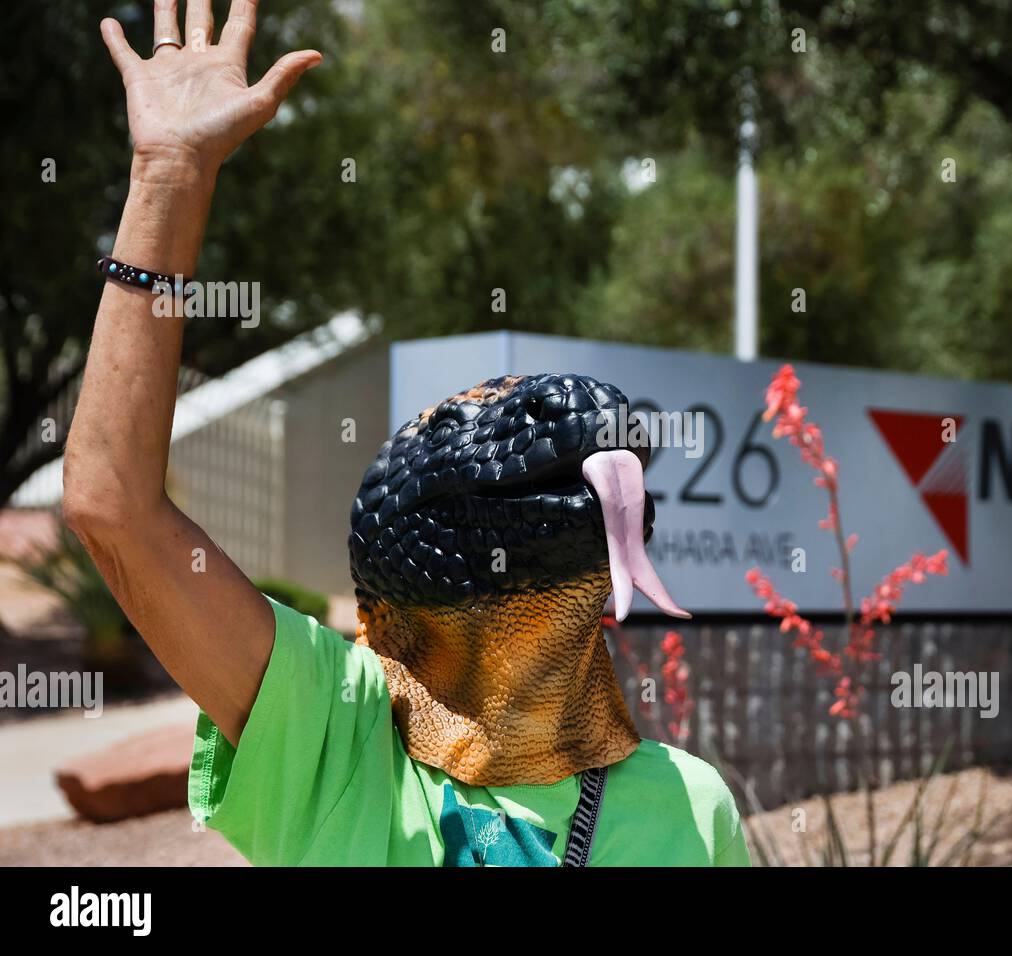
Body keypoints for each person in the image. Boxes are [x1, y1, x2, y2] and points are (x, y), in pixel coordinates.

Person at [66, 0, 749, 867]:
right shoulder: (333, 733)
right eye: (463, 422)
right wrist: (169, 177)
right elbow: (110, 506)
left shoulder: (692, 806)